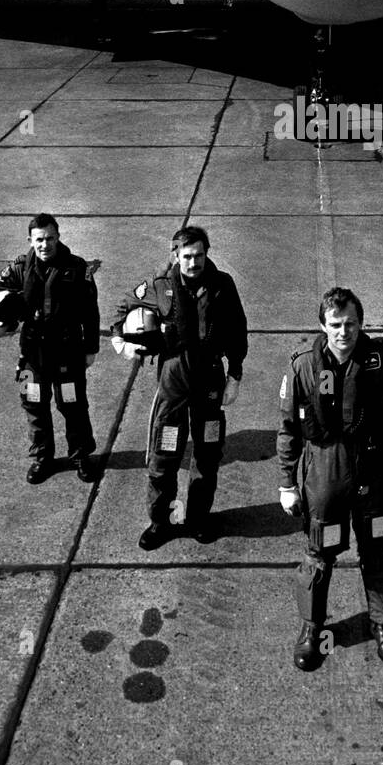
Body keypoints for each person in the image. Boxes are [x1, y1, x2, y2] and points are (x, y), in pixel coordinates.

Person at [277, 287, 383, 672]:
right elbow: (287, 429)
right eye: (335, 324)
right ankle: (313, 630)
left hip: (374, 465)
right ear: (322, 325)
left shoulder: (381, 355)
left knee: (377, 551)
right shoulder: (303, 365)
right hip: (325, 469)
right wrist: (287, 483)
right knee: (320, 554)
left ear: (361, 323)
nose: (343, 332)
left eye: (350, 323)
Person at [112, 225, 247, 548]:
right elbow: (122, 309)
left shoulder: (222, 285)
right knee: (164, 457)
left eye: (199, 255)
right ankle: (161, 521)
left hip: (210, 385)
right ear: (176, 255)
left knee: (207, 456)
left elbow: (237, 330)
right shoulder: (160, 286)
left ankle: (199, 518)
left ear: (206, 254)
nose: (193, 262)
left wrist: (235, 375)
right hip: (173, 386)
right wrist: (122, 341)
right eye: (186, 256)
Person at [0, 213, 99, 484]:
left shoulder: (77, 268)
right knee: (33, 405)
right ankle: (43, 458)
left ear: (58, 237)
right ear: (30, 240)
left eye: (50, 238)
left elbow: (90, 312)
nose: (45, 245)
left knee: (74, 405)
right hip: (32, 354)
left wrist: (91, 349)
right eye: (39, 239)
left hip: (67, 351)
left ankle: (80, 456)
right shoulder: (20, 267)